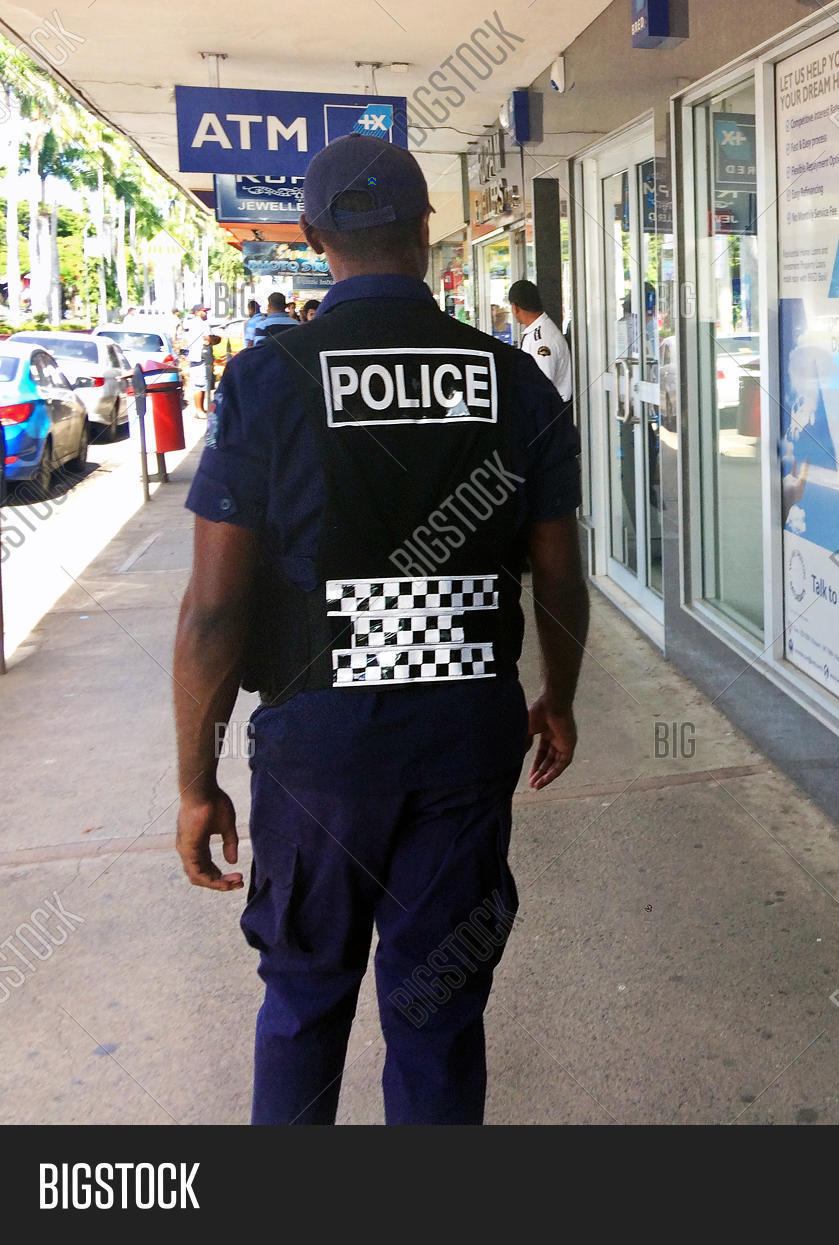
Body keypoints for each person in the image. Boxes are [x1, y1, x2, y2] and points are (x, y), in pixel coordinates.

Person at [172, 133, 589, 1126]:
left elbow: (216, 609)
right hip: (463, 745)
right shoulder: (513, 382)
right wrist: (559, 697)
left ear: (314, 237)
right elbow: (559, 573)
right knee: (438, 1014)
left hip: (317, 753)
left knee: (306, 1006)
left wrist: (197, 780)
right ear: (424, 230)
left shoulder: (269, 382)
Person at [508, 280, 571, 403]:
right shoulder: (537, 332)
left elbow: (541, 385)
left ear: (515, 308)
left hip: (550, 412)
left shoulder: (541, 340)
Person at [180, 305, 220, 419]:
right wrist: (216, 339)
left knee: (201, 383)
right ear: (197, 312)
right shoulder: (201, 324)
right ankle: (199, 410)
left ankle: (201, 409)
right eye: (204, 311)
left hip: (195, 356)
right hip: (200, 356)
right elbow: (207, 339)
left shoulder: (191, 323)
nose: (206, 313)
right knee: (199, 384)